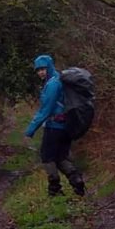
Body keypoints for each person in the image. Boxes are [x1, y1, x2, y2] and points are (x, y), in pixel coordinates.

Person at [26, 53, 87, 198]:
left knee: (47, 157)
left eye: (43, 68)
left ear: (50, 67)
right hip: (66, 126)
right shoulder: (60, 80)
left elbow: (45, 110)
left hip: (54, 126)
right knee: (61, 157)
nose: (40, 72)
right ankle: (76, 180)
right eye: (38, 70)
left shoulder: (52, 83)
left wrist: (30, 130)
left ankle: (55, 189)